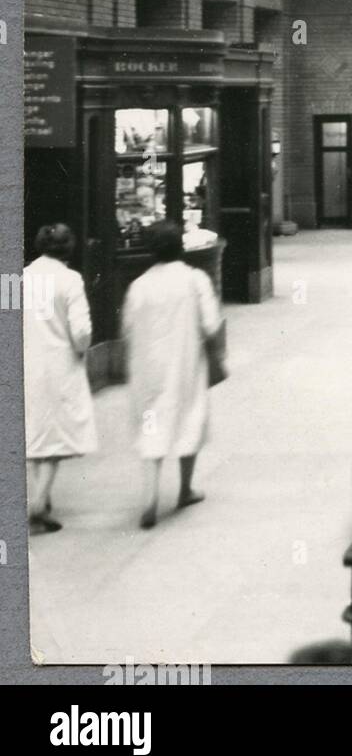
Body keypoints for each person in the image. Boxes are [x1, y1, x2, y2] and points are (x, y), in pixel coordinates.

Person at [123, 219, 221, 529]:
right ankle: (185, 489)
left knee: (152, 425)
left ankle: (150, 496)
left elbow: (127, 328)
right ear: (181, 246)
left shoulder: (138, 285)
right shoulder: (195, 280)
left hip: (147, 368)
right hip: (185, 363)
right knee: (188, 419)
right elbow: (211, 324)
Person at [23, 223, 97, 534]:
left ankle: (43, 501)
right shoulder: (70, 280)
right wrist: (83, 348)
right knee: (55, 436)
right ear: (69, 248)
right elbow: (81, 331)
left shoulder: (19, 277)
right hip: (59, 365)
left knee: (33, 431)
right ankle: (37, 503)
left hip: (25, 362)